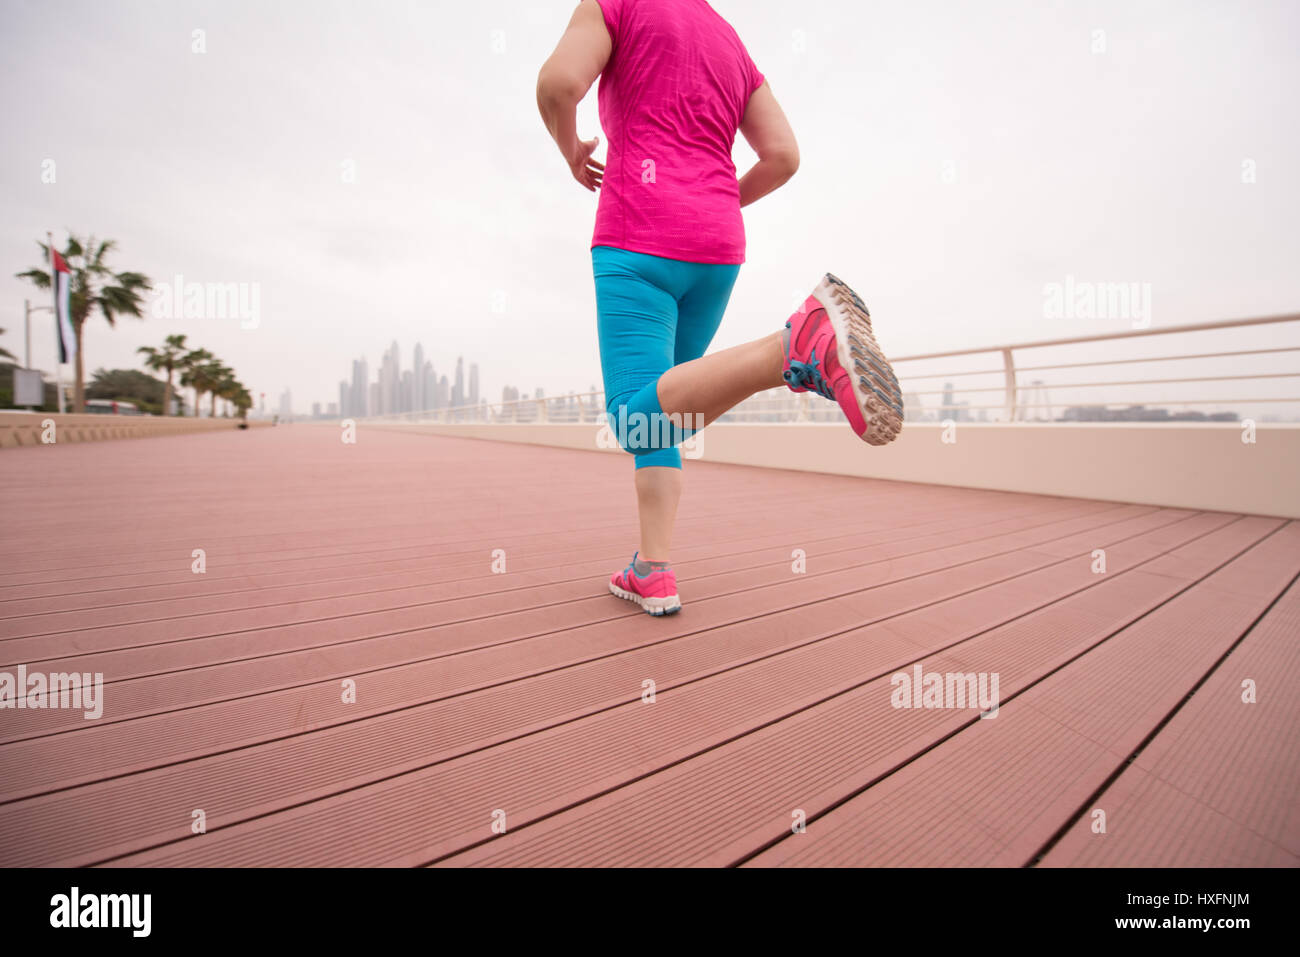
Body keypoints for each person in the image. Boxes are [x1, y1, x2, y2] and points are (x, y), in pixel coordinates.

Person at [537, 0, 902, 616]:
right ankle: (651, 570)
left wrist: (572, 149)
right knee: (669, 404)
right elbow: (783, 155)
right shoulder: (730, 41)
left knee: (634, 417)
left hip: (637, 234)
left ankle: (794, 346)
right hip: (716, 246)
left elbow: (557, 85)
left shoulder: (617, 4)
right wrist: (711, 198)